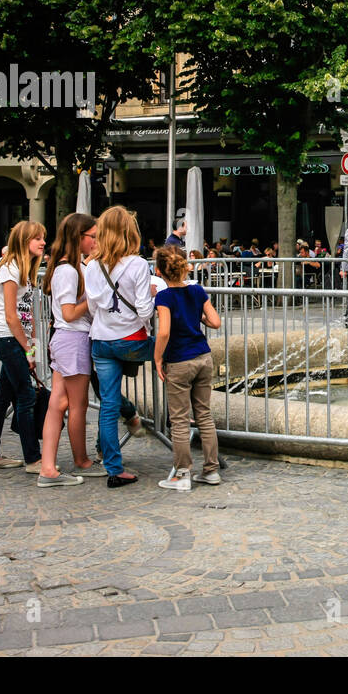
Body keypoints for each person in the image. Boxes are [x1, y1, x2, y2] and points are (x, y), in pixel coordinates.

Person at [86, 206, 156, 488]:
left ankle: (113, 467)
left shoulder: (92, 265)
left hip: (102, 340)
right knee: (173, 352)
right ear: (130, 232)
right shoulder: (138, 264)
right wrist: (152, 297)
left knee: (108, 405)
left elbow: (92, 307)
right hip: (132, 340)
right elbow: (143, 310)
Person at [37, 213, 103, 487]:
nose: (95, 241)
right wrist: (94, 299)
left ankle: (49, 466)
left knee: (59, 404)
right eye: (93, 237)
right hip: (72, 338)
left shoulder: (71, 267)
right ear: (80, 237)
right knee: (76, 405)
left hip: (67, 339)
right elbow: (69, 312)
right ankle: (81, 460)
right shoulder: (68, 270)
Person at [153, 247, 223, 489]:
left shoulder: (163, 297)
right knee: (204, 414)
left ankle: (182, 474)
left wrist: (158, 358)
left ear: (158, 271)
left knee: (180, 419)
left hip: (179, 360)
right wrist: (199, 318)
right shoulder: (197, 290)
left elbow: (163, 331)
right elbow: (215, 321)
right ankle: (211, 470)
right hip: (203, 357)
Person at [0, 221, 46, 471]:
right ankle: (33, 458)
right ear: (23, 241)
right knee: (26, 396)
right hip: (8, 339)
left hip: (14, 338)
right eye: (36, 238)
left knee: (2, 397)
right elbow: (11, 315)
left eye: (43, 237)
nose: (42, 242)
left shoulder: (21, 268)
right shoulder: (10, 269)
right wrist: (28, 348)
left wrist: (31, 343)